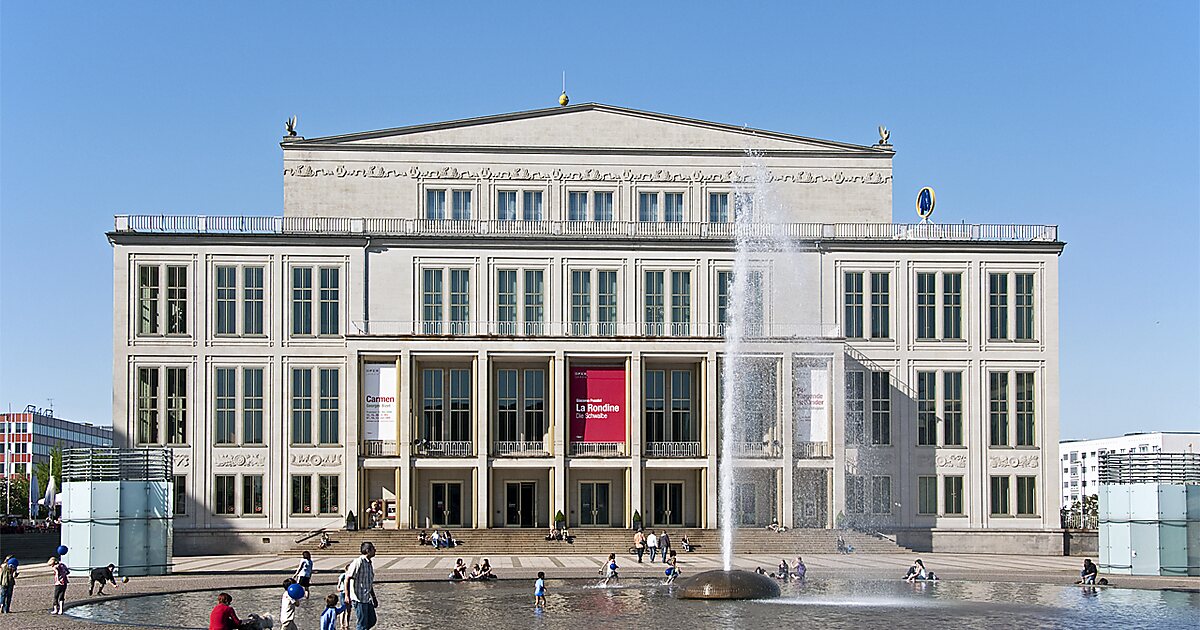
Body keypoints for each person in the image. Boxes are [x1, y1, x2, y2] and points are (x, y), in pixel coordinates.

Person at [346, 541, 378, 630]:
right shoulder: (358, 562)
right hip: (359, 598)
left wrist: (374, 597)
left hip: (367, 598)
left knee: (372, 620)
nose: (375, 550)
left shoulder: (369, 563)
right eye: (373, 548)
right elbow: (347, 578)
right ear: (368, 550)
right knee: (362, 623)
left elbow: (368, 582)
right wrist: (347, 596)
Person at [336, 564, 352, 630]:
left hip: (350, 593)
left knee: (349, 609)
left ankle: (347, 623)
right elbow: (338, 585)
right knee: (343, 608)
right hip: (343, 593)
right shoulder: (343, 575)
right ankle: (342, 624)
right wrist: (339, 588)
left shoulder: (352, 576)